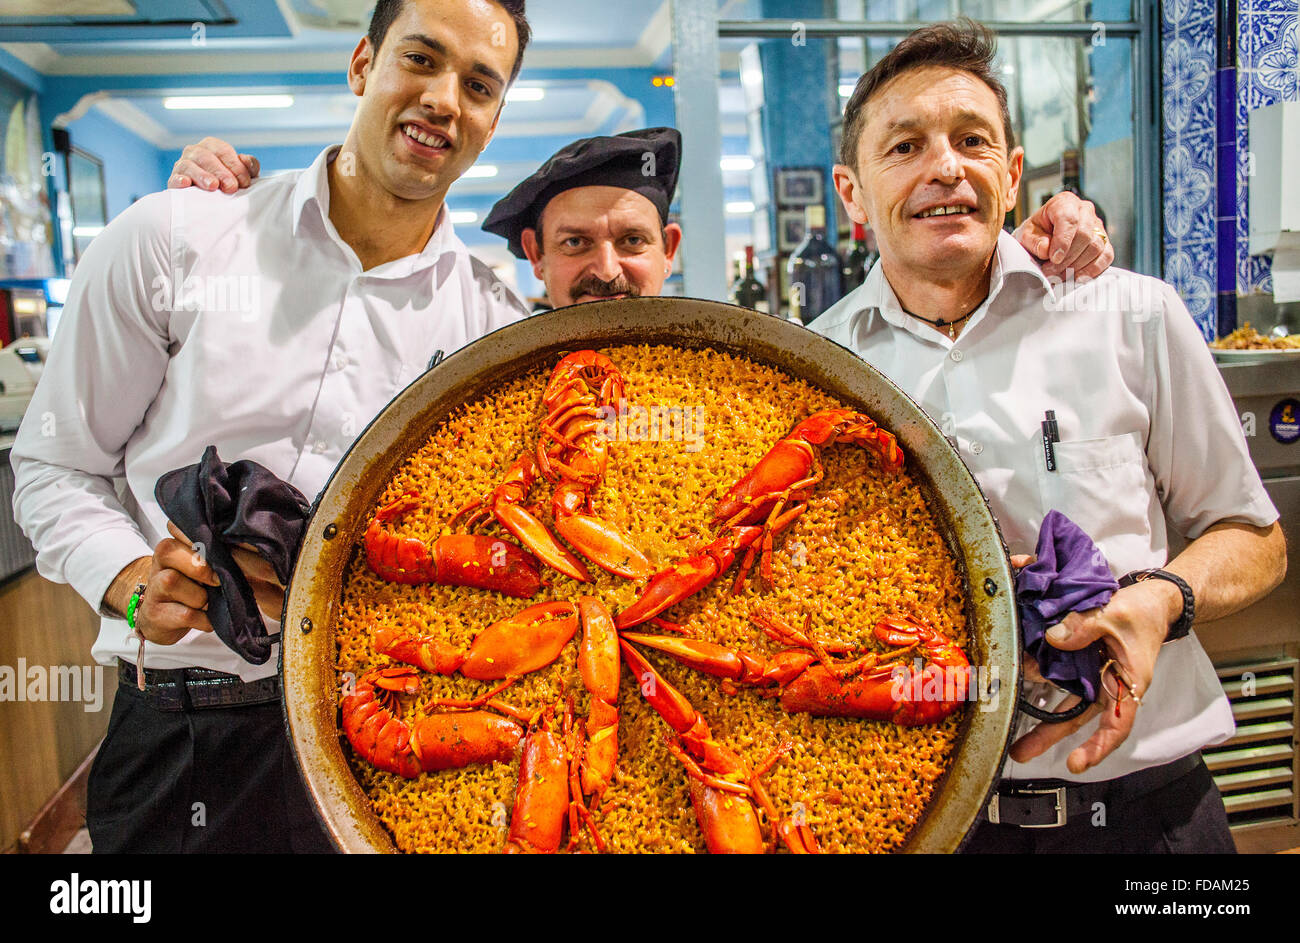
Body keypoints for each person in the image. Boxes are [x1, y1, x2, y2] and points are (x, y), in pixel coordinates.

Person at [11, 0, 533, 853]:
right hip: (185, 729)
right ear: (363, 64)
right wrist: (134, 579)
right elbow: (51, 467)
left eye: (478, 84)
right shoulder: (177, 239)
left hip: (379, 740)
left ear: (493, 117)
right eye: (421, 59)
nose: (444, 98)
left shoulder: (492, 330)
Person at [818, 19, 1286, 852]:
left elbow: (1254, 537)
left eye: (973, 140)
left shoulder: (1131, 315)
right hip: (933, 822)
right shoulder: (821, 368)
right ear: (851, 191)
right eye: (904, 147)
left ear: (1012, 172)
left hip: (1152, 818)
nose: (946, 168)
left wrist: (1159, 600)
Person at [171, 131, 1115, 308]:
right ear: (534, 257)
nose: (607, 269)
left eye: (630, 242)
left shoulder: (741, 366)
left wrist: (1056, 222)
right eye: (575, 244)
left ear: (668, 250)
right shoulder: (479, 341)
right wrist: (219, 195)